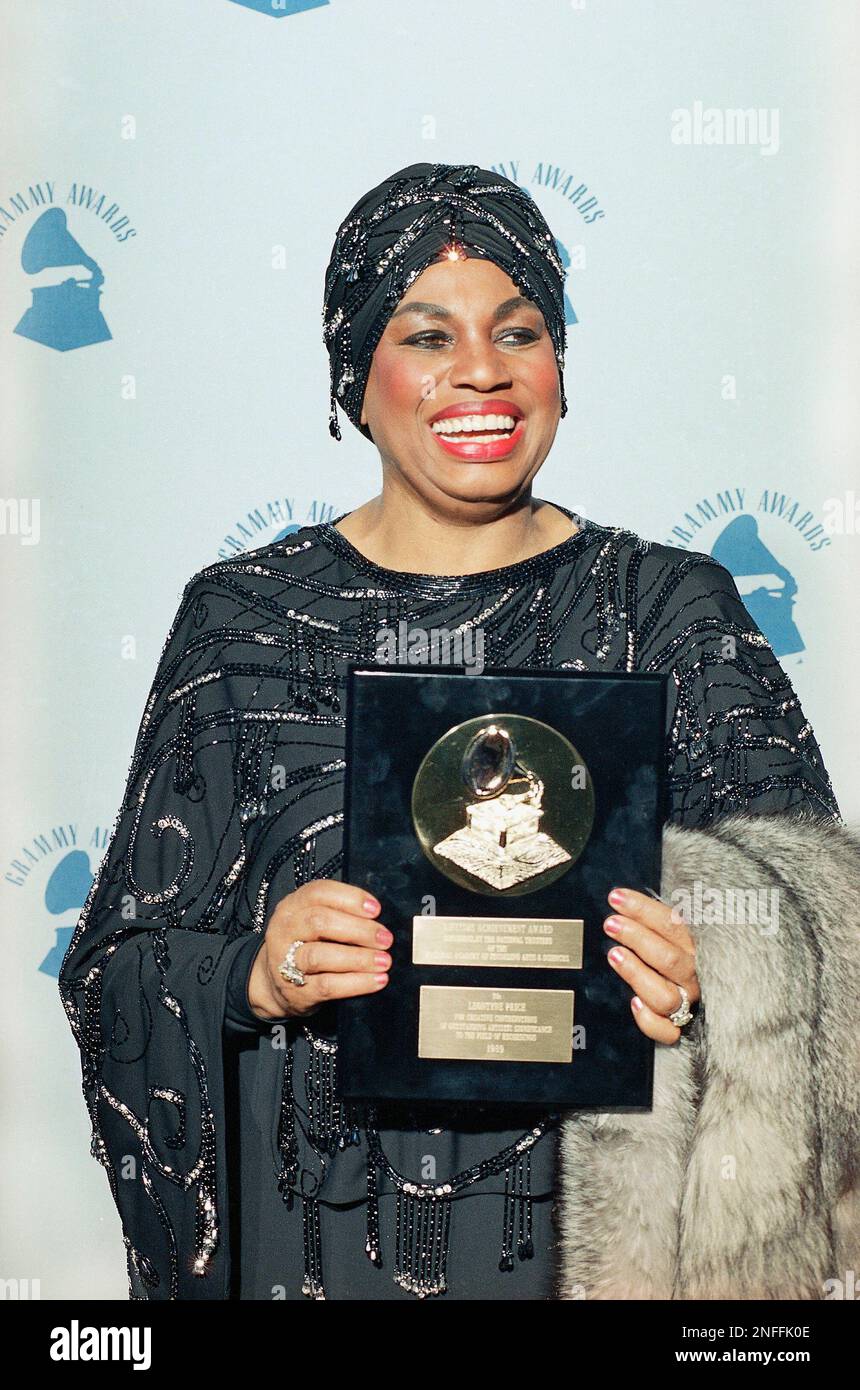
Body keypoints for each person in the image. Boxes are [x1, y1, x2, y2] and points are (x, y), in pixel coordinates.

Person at [59, 163, 858, 1302]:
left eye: (517, 330)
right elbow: (117, 974)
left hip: (605, 1262)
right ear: (355, 379)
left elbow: (829, 941)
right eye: (427, 336)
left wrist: (715, 962)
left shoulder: (672, 611)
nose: (480, 371)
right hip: (319, 1251)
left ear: (560, 369)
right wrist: (259, 971)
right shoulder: (240, 622)